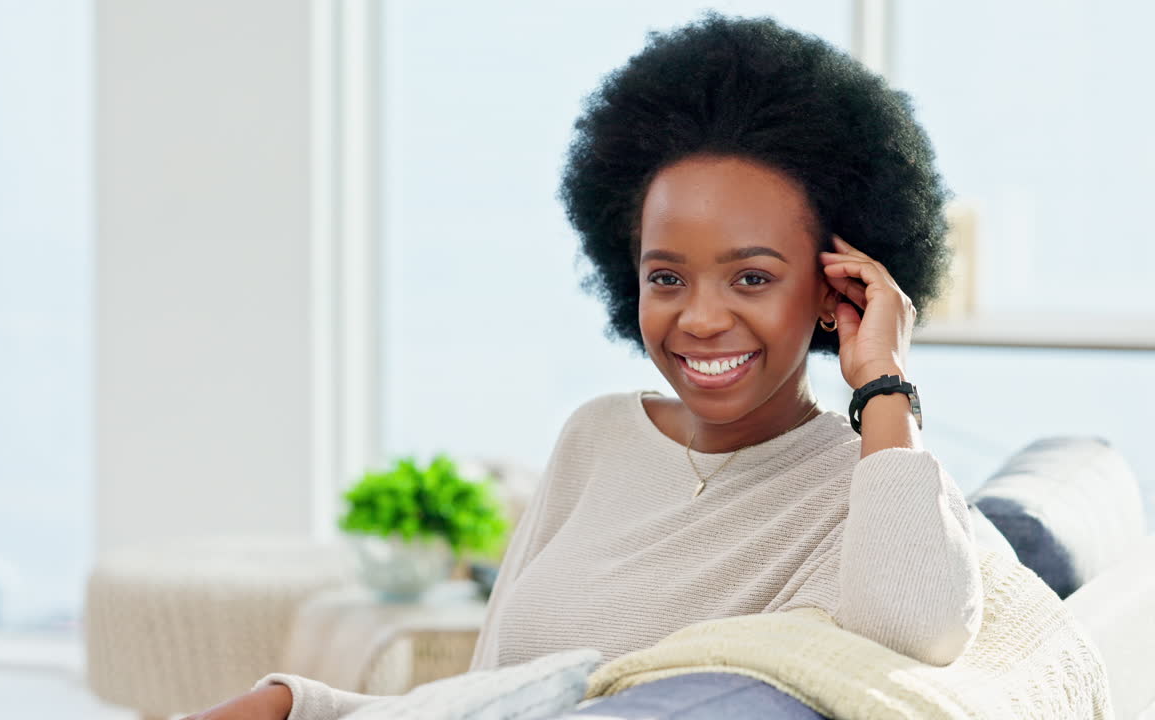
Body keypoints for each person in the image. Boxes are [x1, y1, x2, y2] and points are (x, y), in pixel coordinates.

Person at [184, 11, 983, 719]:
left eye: (751, 278)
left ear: (832, 288)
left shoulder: (875, 486)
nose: (700, 319)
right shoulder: (597, 437)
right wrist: (299, 704)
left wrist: (884, 381)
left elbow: (917, 631)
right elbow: (485, 695)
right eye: (666, 278)